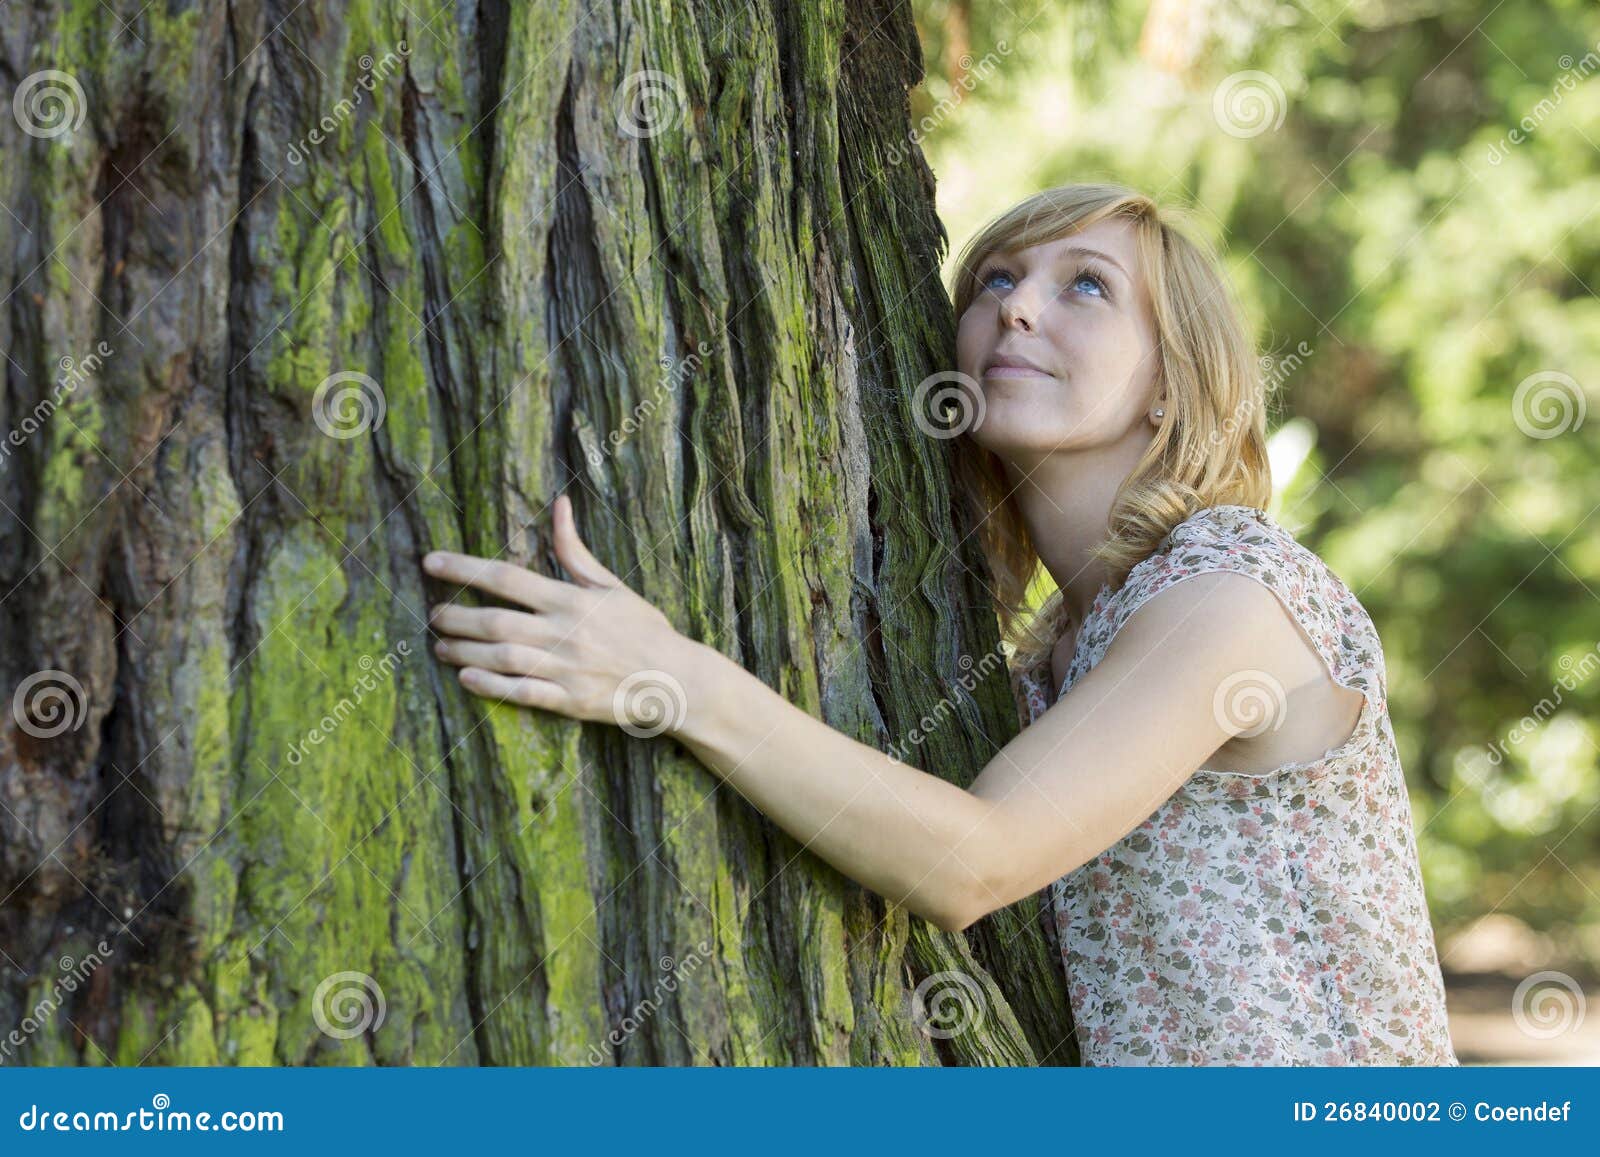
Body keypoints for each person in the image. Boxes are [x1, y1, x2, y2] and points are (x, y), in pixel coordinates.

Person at [421, 182, 1458, 1066]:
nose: (1015, 310)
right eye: (994, 281)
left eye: (1085, 285)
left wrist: (667, 677)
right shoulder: (1055, 654)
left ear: (1170, 381)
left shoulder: (1234, 590)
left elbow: (976, 861)